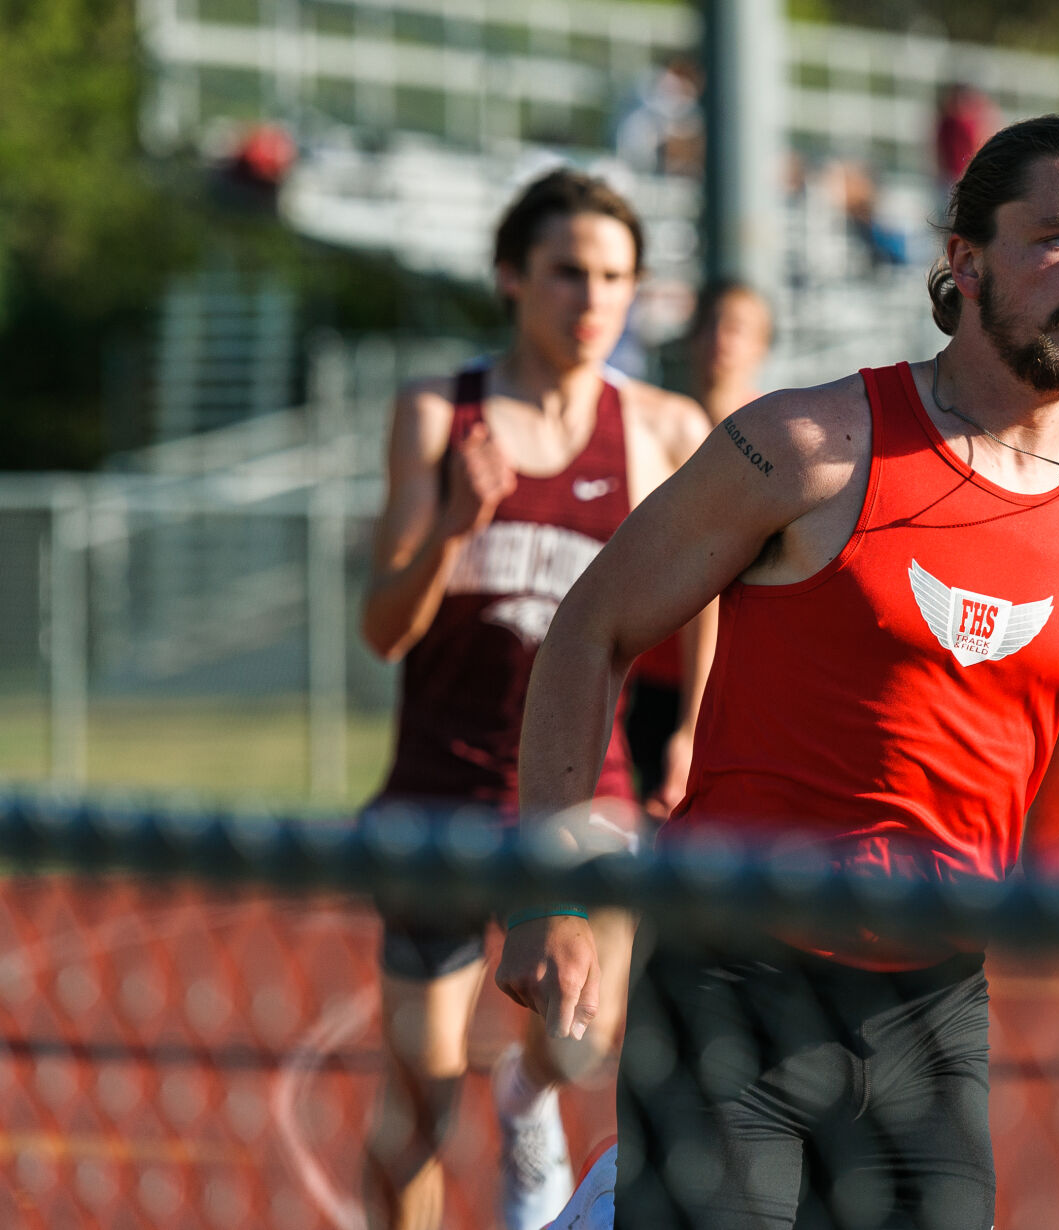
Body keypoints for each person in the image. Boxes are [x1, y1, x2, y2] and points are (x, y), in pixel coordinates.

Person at [500, 115, 1059, 1229]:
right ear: (964, 258)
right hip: (730, 986)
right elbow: (592, 628)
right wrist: (552, 890)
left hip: (933, 1016)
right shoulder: (806, 449)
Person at [358, 167, 710, 1230]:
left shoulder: (663, 429)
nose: (593, 299)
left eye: (616, 277)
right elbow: (383, 629)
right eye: (567, 272)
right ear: (512, 277)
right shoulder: (439, 416)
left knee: (575, 1043)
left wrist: (692, 727)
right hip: (439, 794)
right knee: (420, 1097)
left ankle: (531, 1101)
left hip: (580, 803)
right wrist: (458, 521)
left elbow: (714, 601)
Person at [624, 280, 773, 809]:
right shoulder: (657, 431)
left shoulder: (779, 443)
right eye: (709, 325)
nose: (719, 341)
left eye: (736, 327)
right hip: (656, 675)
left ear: (763, 344)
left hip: (739, 681)